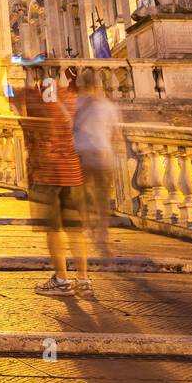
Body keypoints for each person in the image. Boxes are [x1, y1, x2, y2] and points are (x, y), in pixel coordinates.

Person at [17, 65, 90, 297]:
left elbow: (0, 88)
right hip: (72, 171)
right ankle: (84, 279)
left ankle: (61, 279)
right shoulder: (72, 99)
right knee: (76, 230)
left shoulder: (34, 101)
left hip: (46, 173)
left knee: (54, 230)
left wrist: (4, 66)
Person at [73, 71, 121, 255]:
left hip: (81, 155)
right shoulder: (107, 106)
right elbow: (116, 134)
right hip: (101, 154)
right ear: (98, 85)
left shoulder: (77, 104)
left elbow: (68, 127)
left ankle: (88, 227)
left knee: (83, 195)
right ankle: (102, 236)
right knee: (102, 200)